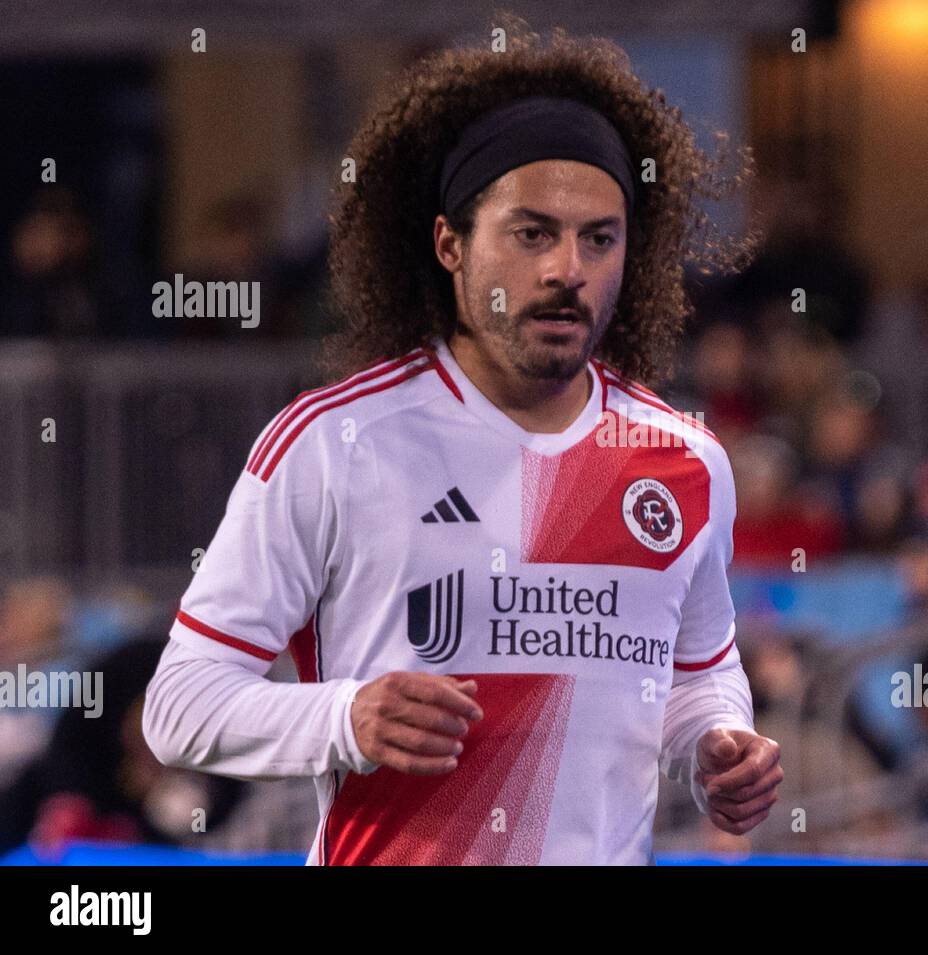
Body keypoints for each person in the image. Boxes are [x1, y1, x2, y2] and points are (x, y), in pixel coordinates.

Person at [142, 18, 782, 865]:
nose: (566, 269)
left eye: (600, 238)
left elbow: (699, 670)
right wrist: (344, 716)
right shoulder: (334, 443)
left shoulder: (687, 461)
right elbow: (181, 704)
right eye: (531, 233)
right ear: (450, 243)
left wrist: (717, 742)